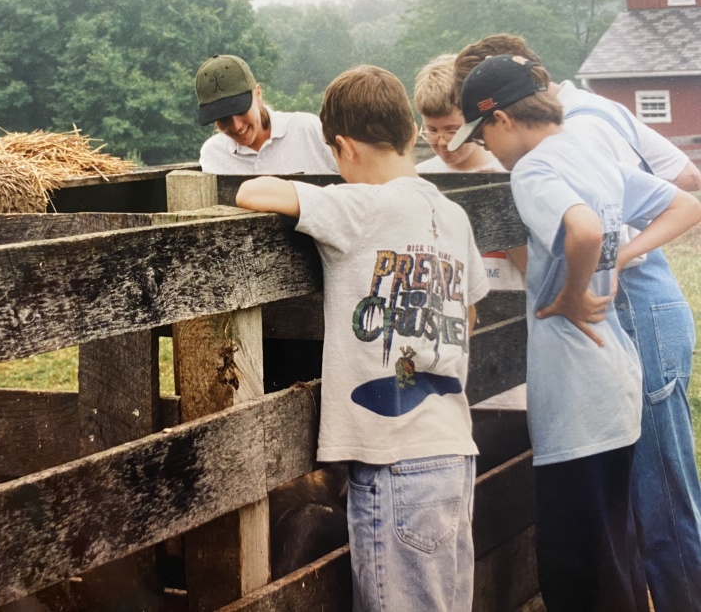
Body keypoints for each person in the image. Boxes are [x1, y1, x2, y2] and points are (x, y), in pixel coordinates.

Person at [452, 34, 701, 612]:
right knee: (618, 547)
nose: (486, 150)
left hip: (575, 398)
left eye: (482, 134)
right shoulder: (590, 154)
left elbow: (584, 229)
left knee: (578, 569)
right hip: (615, 380)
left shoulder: (533, 170)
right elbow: (686, 204)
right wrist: (628, 256)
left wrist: (568, 295)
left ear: (504, 118)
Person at [236, 64, 489, 612]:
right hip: (453, 451)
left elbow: (254, 192)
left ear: (344, 148)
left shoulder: (358, 207)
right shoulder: (452, 214)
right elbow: (469, 314)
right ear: (413, 133)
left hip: (391, 459)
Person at [414, 54, 525, 295]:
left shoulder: (510, 171)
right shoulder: (419, 177)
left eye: (452, 130)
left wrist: (499, 205)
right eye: (431, 130)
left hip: (507, 306)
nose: (442, 141)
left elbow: (536, 268)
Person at [195, 54, 338, 174]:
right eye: (223, 118)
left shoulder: (309, 131)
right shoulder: (214, 154)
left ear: (258, 93)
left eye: (240, 110)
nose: (236, 126)